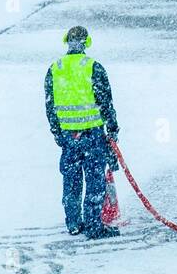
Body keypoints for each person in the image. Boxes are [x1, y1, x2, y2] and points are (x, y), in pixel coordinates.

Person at [44, 25, 120, 239]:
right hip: (92, 135)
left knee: (72, 182)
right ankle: (94, 226)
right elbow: (106, 102)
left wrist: (58, 134)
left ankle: (74, 224)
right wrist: (112, 129)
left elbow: (50, 107)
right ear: (87, 43)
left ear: (66, 41)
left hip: (69, 137)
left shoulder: (55, 68)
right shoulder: (93, 68)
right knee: (95, 181)